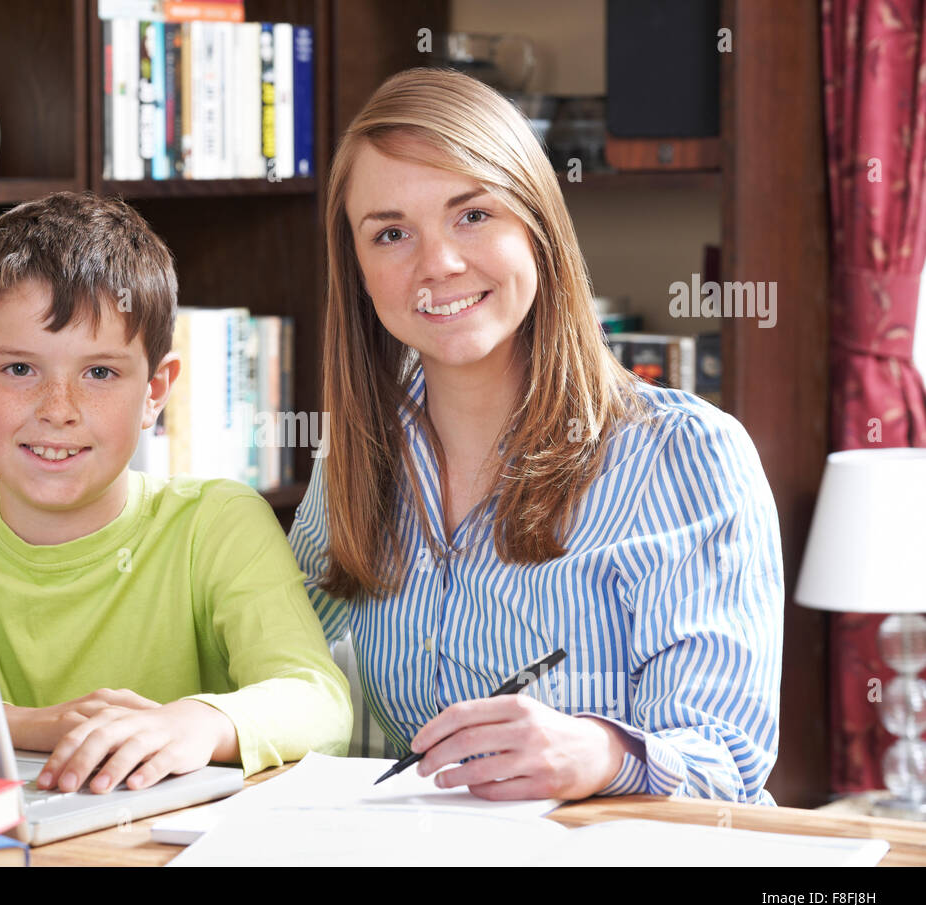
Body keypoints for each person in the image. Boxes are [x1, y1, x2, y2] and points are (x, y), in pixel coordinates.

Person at [289, 68, 784, 804]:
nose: (439, 264)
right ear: (357, 269)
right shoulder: (363, 459)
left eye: (472, 215)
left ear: (538, 225)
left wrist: (601, 752)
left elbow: (726, 767)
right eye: (391, 233)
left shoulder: (686, 456)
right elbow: (279, 659)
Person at [0, 191, 351, 794]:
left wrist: (195, 722)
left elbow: (318, 702)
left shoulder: (215, 522)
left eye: (100, 373)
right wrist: (28, 725)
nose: (58, 411)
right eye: (19, 370)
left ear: (156, 390)